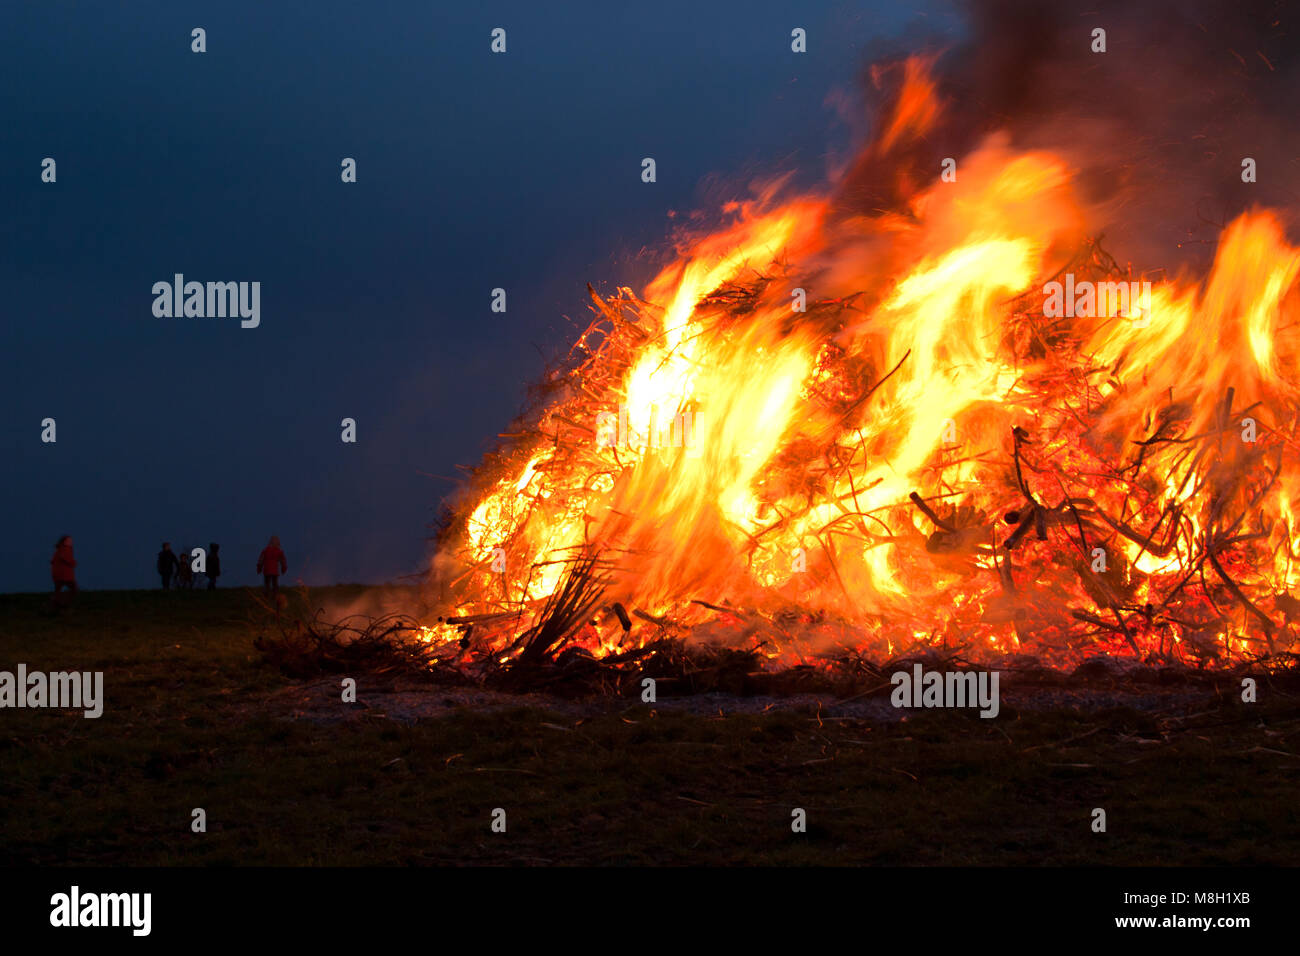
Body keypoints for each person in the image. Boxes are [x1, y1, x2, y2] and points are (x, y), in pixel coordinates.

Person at [50, 535, 77, 608]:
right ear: (64, 542)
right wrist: (73, 562)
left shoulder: (59, 549)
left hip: (57, 574)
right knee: (74, 589)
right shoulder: (65, 549)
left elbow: (53, 561)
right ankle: (63, 603)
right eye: (69, 540)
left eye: (71, 540)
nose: (71, 542)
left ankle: (55, 604)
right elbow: (65, 558)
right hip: (63, 575)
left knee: (58, 590)